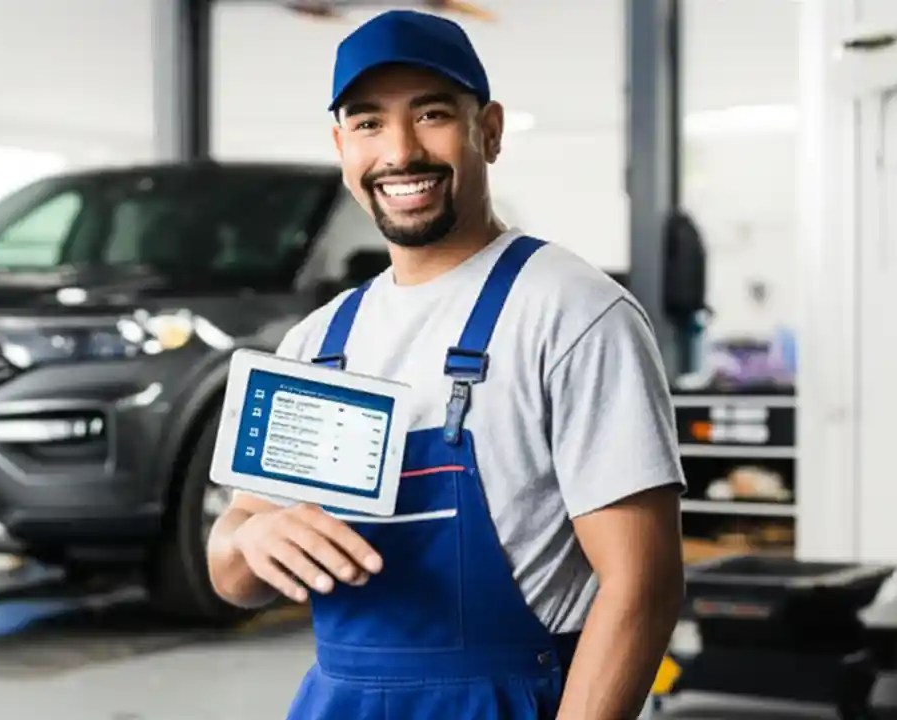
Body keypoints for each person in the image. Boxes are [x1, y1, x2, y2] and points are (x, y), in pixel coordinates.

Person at [205, 8, 686, 720]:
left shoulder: (572, 312)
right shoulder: (315, 344)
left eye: (430, 114)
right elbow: (232, 567)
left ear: (487, 130)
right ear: (343, 147)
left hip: (506, 699)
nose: (400, 151)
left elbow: (642, 586)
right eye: (368, 123)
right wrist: (251, 535)